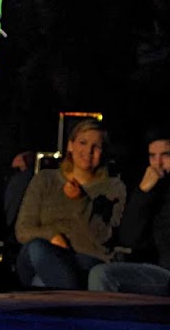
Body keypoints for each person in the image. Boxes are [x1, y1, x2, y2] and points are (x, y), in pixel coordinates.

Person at [13, 120, 126, 289]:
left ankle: (69, 302)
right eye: (83, 143)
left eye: (96, 146)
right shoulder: (46, 180)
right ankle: (72, 299)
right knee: (36, 248)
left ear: (103, 152)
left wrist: (81, 201)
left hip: (85, 259)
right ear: (71, 146)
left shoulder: (113, 188)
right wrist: (52, 235)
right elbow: (23, 230)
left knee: (41, 281)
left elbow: (102, 238)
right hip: (46, 253)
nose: (88, 151)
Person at [87, 130, 170, 295]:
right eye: (152, 156)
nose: (158, 163)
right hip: (156, 269)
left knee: (103, 275)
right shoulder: (154, 190)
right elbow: (130, 239)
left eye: (166, 155)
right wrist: (143, 192)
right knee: (98, 272)